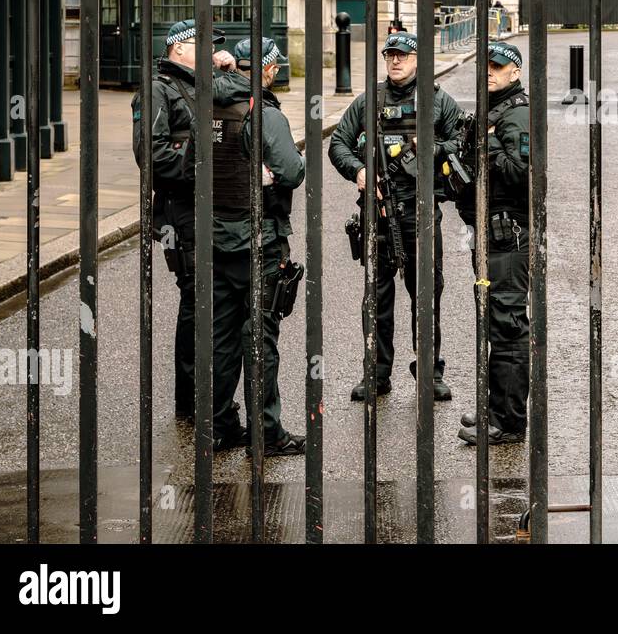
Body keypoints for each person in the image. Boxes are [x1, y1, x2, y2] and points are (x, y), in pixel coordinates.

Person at [329, 31, 465, 402]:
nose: (395, 61)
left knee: (426, 295)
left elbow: (463, 142)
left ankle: (429, 372)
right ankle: (376, 373)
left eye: (402, 55)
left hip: (421, 213)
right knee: (377, 296)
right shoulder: (370, 100)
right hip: (380, 212)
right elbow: (338, 142)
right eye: (389, 55)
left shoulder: (437, 101)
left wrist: (433, 148)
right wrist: (358, 171)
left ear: (418, 58)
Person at [130, 18, 243, 423]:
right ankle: (192, 401)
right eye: (205, 45)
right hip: (182, 211)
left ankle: (209, 400)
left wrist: (232, 74)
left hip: (212, 209)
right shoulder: (158, 89)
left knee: (213, 301)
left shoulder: (204, 85)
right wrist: (204, 169)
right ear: (178, 47)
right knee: (198, 302)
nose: (214, 52)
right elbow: (152, 156)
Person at [210, 36, 307, 456]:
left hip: (212, 237)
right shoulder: (264, 113)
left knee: (220, 336)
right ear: (267, 70)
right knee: (260, 335)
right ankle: (266, 433)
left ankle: (217, 424)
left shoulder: (206, 104)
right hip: (259, 239)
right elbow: (291, 171)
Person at [452, 41, 530, 446]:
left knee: (509, 325)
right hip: (489, 235)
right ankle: (495, 408)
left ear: (515, 71)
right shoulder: (493, 111)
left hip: (509, 235)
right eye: (485, 65)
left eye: (498, 66)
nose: (490, 71)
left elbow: (525, 174)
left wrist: (491, 143)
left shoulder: (516, 114)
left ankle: (509, 422)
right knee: (495, 321)